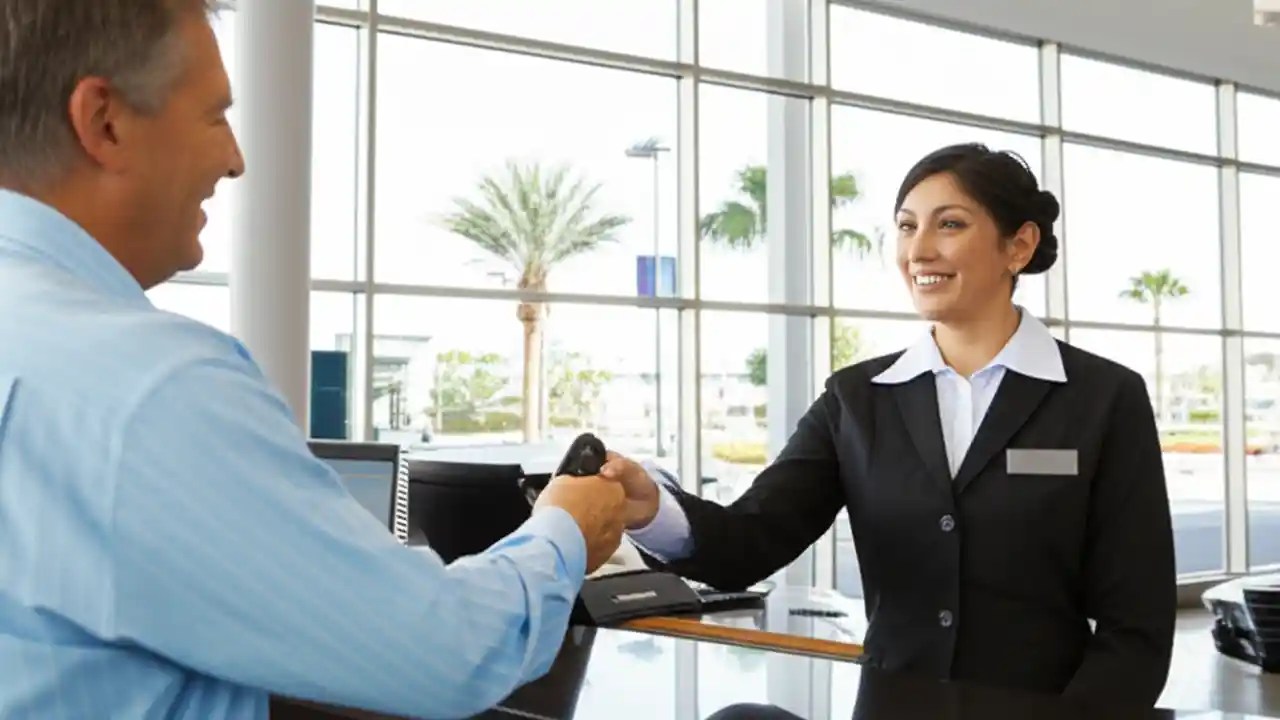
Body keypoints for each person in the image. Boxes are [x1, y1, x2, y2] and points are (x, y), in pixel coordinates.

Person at [0, 2, 626, 719]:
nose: (233, 159)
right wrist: (566, 527)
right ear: (104, 121)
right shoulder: (150, 387)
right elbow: (447, 651)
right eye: (213, 116)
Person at [605, 143, 1177, 706]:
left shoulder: (1105, 398)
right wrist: (650, 509)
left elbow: (1137, 629)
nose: (919, 250)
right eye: (906, 227)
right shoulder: (855, 399)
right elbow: (749, 542)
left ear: (1018, 246)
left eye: (949, 224)